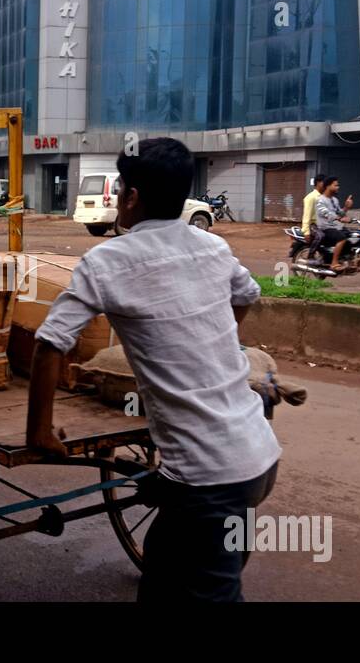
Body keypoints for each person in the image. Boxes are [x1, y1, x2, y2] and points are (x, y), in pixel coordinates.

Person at [25, 137, 282, 602]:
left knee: (213, 590)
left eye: (122, 187)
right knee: (163, 568)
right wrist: (209, 341)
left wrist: (40, 433)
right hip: (258, 455)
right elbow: (246, 295)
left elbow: (49, 344)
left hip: (207, 476)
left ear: (132, 196)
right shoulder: (211, 245)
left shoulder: (107, 261)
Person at [313, 177, 354, 271]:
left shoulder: (334, 200)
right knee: (342, 239)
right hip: (325, 228)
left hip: (336, 227)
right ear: (328, 186)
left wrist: (346, 207)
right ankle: (334, 263)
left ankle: (344, 258)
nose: (338, 187)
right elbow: (326, 213)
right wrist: (340, 218)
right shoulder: (320, 200)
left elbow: (340, 213)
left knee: (353, 237)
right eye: (335, 185)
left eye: (338, 185)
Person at [300, 173, 327, 251]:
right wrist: (306, 232)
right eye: (324, 183)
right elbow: (306, 215)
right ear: (318, 183)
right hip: (313, 225)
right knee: (320, 236)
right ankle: (310, 255)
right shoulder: (311, 197)